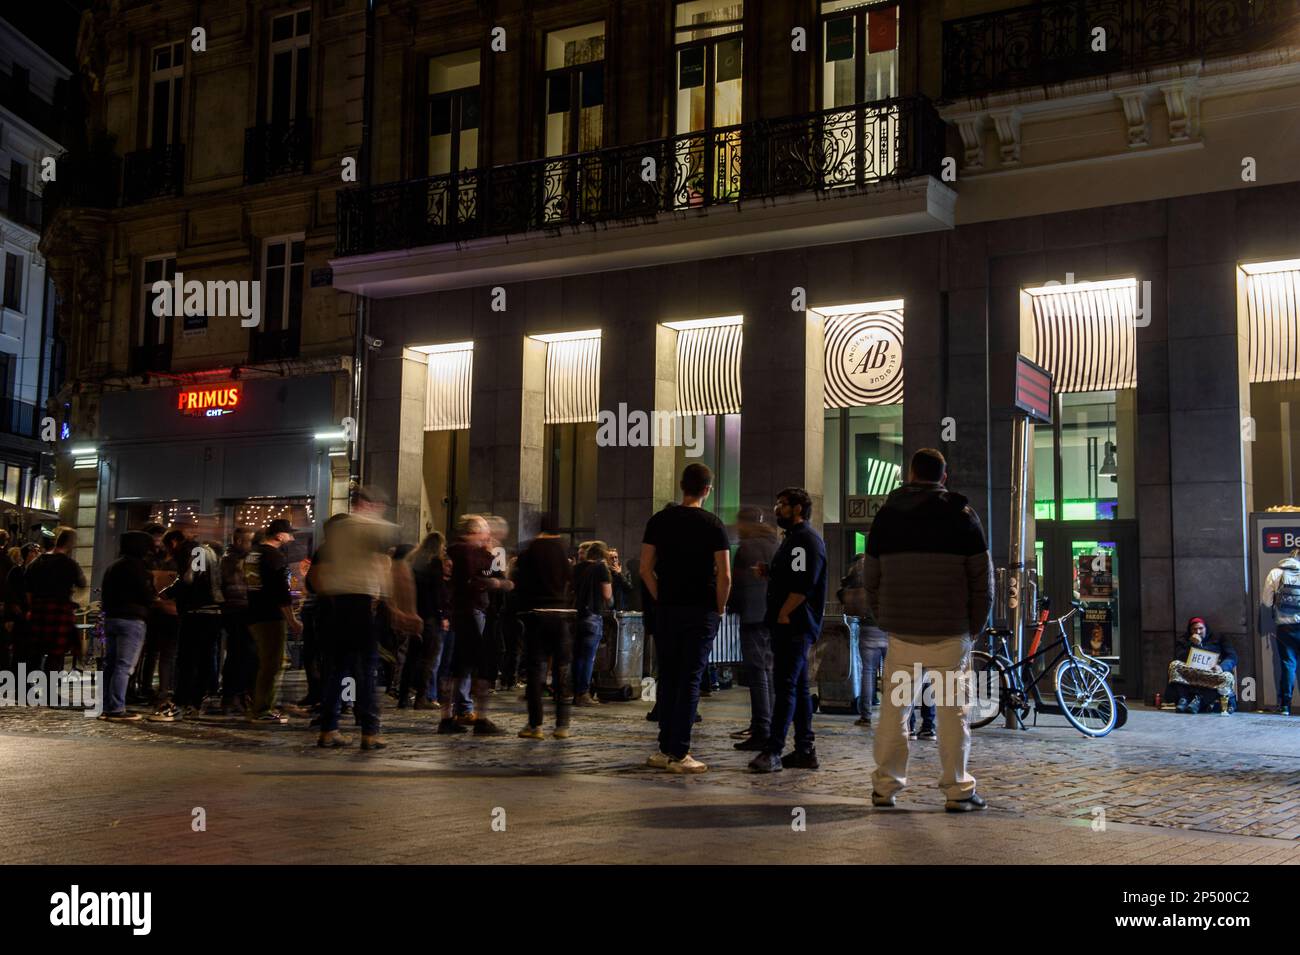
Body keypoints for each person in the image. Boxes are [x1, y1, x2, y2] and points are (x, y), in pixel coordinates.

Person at [866, 448, 993, 812]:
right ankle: (957, 790)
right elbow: (982, 581)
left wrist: (885, 616)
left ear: (909, 474)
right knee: (953, 713)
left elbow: (871, 577)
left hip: (903, 635)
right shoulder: (963, 516)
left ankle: (886, 787)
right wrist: (973, 626)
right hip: (951, 635)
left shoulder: (887, 516)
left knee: (895, 711)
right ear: (944, 476)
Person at [639, 463, 732, 774]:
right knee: (691, 678)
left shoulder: (659, 521)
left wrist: (660, 596)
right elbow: (726, 576)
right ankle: (680, 752)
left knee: (669, 676)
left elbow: (644, 569)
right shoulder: (713, 525)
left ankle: (666, 747)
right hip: (700, 609)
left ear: (681, 486)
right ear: (707, 489)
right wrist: (719, 608)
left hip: (668, 609)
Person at [312, 487, 400, 749]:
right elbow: (386, 553)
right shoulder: (366, 527)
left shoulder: (336, 531)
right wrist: (392, 604)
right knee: (366, 671)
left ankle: (328, 729)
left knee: (338, 670)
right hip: (360, 604)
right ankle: (370, 732)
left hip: (338, 605)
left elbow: (319, 577)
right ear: (366, 503)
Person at [748, 488, 829, 773]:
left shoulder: (803, 540)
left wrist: (784, 611)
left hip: (793, 625)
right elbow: (795, 574)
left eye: (782, 505)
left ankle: (773, 750)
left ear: (797, 509)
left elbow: (804, 584)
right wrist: (770, 572)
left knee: (785, 687)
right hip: (790, 623)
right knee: (798, 687)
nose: (776, 509)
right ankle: (805, 750)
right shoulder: (794, 539)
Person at [439, 514, 511, 735]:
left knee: (458, 668)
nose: (488, 534)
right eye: (484, 530)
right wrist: (497, 582)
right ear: (472, 532)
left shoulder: (459, 552)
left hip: (463, 613)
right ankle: (479, 718)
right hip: (469, 613)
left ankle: (449, 717)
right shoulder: (467, 552)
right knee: (480, 667)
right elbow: (479, 579)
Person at [514, 512, 575, 739]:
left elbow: (521, 582)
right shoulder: (562, 549)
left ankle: (535, 725)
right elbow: (570, 577)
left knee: (536, 670)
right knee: (561, 670)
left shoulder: (530, 550)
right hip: (561, 615)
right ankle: (562, 725)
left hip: (537, 615)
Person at [243, 519, 303, 724]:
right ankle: (262, 709)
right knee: (272, 663)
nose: (292, 538)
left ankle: (257, 703)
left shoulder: (253, 553)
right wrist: (292, 619)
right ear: (279, 535)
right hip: (269, 616)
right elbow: (281, 592)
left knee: (264, 661)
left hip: (253, 612)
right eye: (289, 534)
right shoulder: (273, 556)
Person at [730, 505, 779, 751]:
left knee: (757, 673)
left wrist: (730, 606)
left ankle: (762, 728)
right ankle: (765, 724)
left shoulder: (746, 548)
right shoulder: (775, 544)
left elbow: (738, 584)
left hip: (752, 617)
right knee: (767, 672)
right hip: (771, 617)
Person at [24, 527, 87, 704]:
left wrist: (33, 607)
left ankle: (28, 690)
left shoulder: (37, 562)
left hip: (38, 609)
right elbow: (82, 584)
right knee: (56, 654)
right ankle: (50, 693)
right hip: (59, 608)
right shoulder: (69, 564)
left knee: (35, 653)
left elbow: (27, 590)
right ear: (70, 543)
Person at [99, 531, 157, 721]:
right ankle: (117, 708)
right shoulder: (138, 568)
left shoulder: (113, 567)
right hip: (132, 619)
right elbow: (146, 596)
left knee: (111, 664)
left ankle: (107, 705)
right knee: (124, 665)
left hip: (112, 618)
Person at [839, 553, 889, 727]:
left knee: (867, 673)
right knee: (892, 674)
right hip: (887, 629)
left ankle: (866, 716)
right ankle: (893, 716)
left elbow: (844, 599)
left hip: (867, 628)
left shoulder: (856, 579)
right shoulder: (885, 577)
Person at [403, 532, 450, 710]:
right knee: (428, 658)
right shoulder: (435, 563)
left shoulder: (414, 560)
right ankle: (421, 697)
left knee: (412, 657)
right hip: (430, 615)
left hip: (415, 611)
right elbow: (437, 591)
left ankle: (403, 696)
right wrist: (442, 615)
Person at [1165, 616, 1237, 714]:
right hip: (1191, 673)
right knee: (1174, 665)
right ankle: (1183, 699)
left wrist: (1222, 667)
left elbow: (1232, 656)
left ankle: (1199, 701)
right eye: (1194, 629)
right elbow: (1179, 657)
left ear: (1206, 628)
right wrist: (1192, 644)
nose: (1198, 632)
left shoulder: (1219, 638)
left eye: (1200, 628)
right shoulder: (1184, 640)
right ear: (1190, 630)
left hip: (1211, 673)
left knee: (1227, 677)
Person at [219, 528, 255, 714]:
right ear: (239, 541)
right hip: (238, 611)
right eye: (249, 541)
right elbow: (237, 586)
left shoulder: (231, 559)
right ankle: (233, 696)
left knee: (240, 654)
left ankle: (235, 696)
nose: (252, 545)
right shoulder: (231, 560)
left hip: (237, 610)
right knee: (240, 654)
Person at [572, 540, 612, 706]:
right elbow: (607, 594)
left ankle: (575, 692)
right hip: (593, 615)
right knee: (588, 657)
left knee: (577, 657)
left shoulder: (576, 568)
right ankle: (583, 693)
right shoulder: (601, 568)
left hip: (576, 616)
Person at [1262, 551, 1300, 715]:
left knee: (1288, 665)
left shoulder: (1276, 573)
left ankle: (1285, 705)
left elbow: (1267, 601)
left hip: (1285, 627)